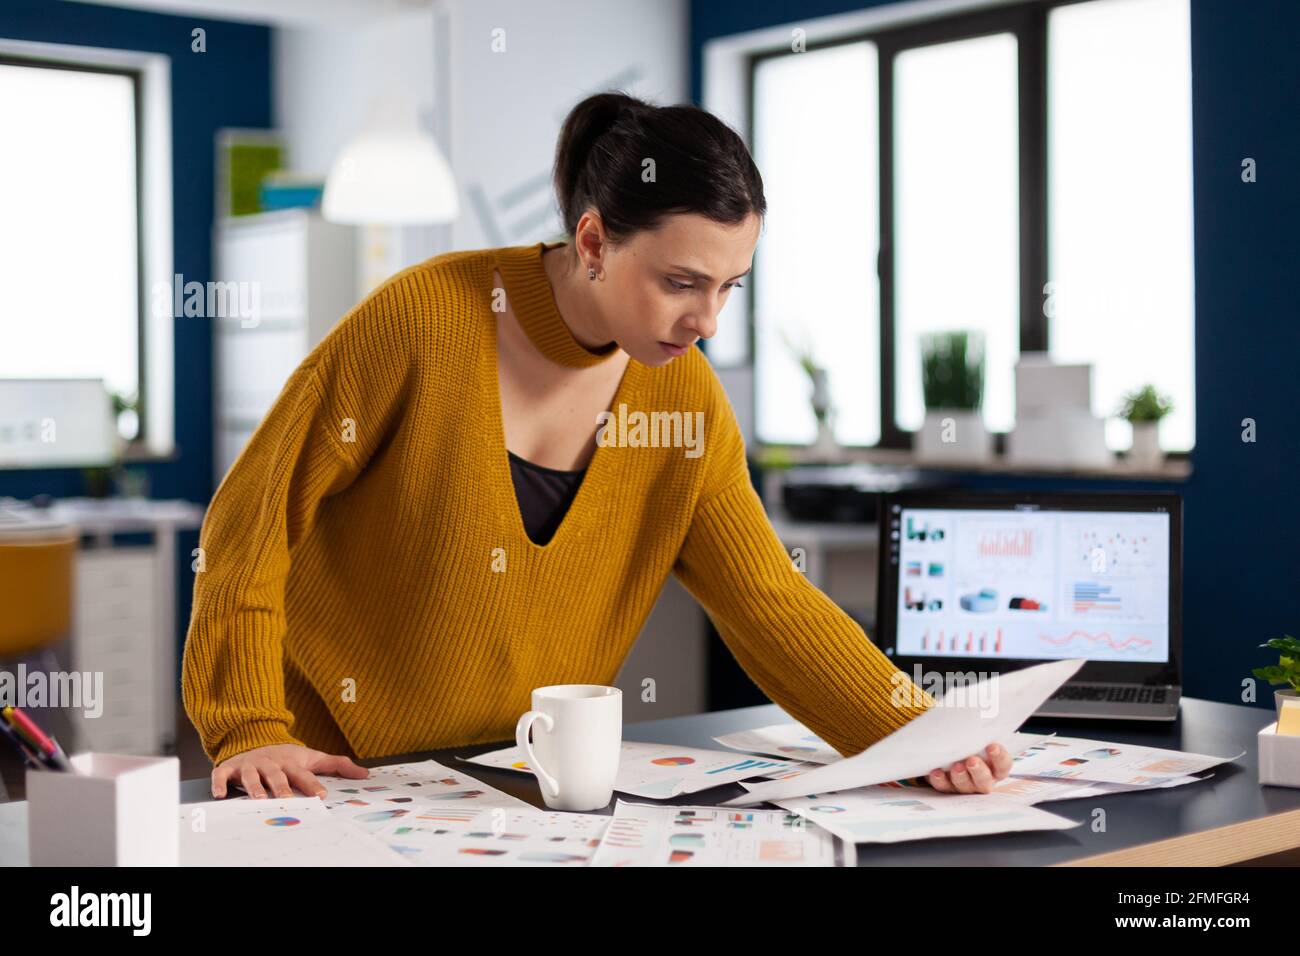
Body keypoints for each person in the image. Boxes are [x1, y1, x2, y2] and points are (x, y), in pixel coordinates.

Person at [182, 90, 1013, 802]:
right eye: (680, 283)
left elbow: (767, 599)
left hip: (510, 780)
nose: (707, 321)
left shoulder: (684, 398)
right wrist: (251, 726)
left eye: (728, 287)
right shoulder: (423, 321)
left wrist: (915, 732)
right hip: (328, 771)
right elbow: (249, 521)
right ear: (592, 243)